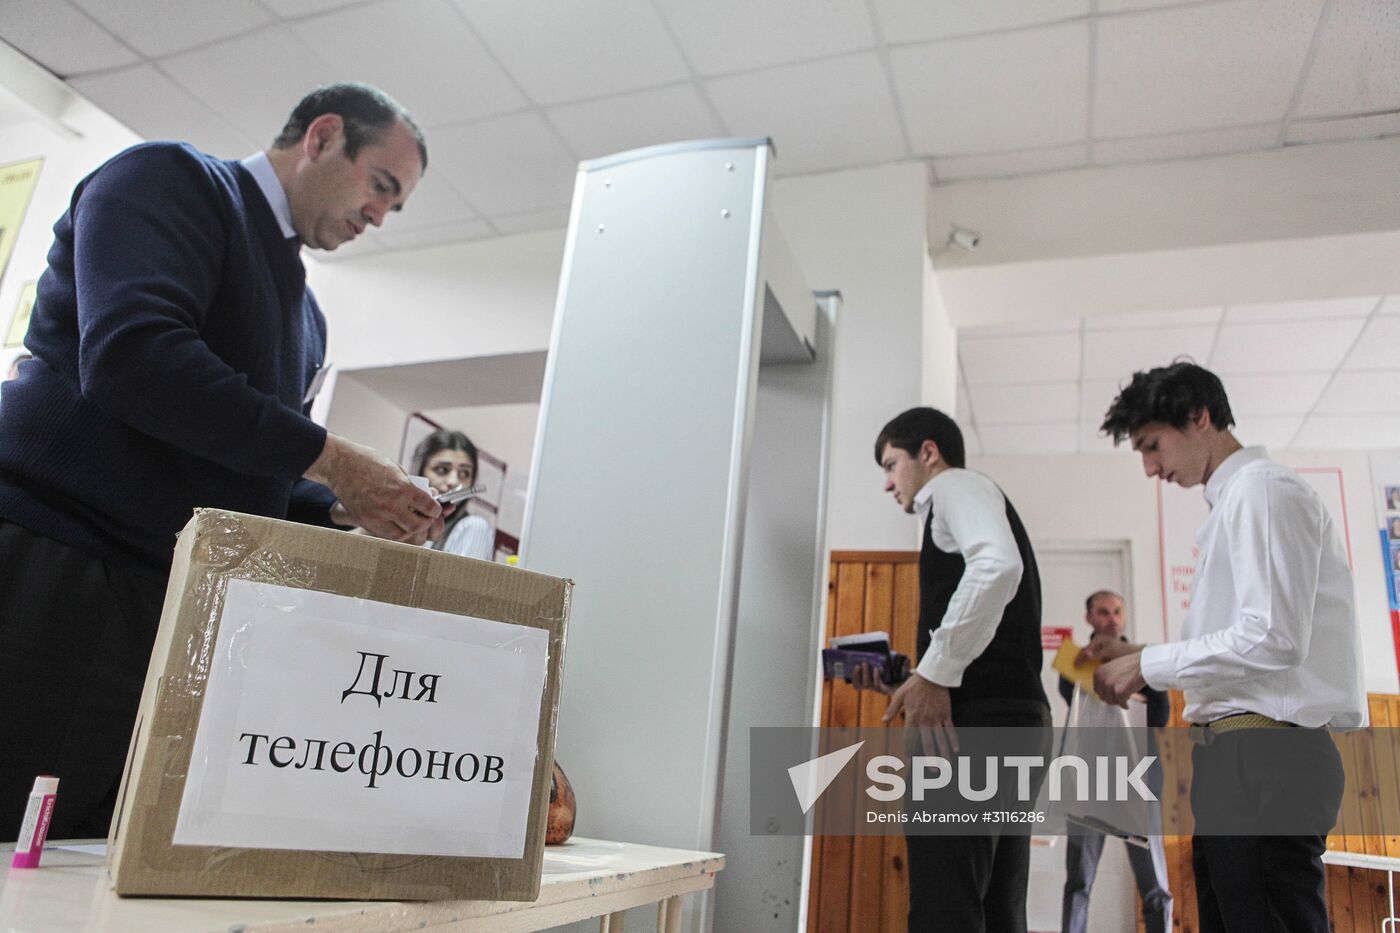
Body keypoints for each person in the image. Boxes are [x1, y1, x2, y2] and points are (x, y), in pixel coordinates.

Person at [0, 83, 446, 842]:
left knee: (77, 854)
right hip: (51, 569)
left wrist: (345, 505)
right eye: (380, 185)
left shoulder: (306, 318)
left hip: (161, 603)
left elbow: (246, 464)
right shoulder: (169, 180)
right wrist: (336, 461)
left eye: (395, 207)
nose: (379, 215)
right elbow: (134, 355)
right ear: (323, 136)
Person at [1089, 361, 1364, 933]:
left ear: (1199, 417)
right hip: (1237, 755)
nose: (1149, 467)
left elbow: (1274, 638)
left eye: (1151, 445)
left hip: (1268, 755)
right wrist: (1136, 653)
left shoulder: (1263, 492)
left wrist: (1147, 663)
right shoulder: (1236, 503)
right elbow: (1245, 642)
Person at [857, 406, 1050, 933]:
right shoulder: (962, 501)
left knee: (947, 907)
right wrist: (914, 681)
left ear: (928, 453)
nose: (887, 482)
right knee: (995, 909)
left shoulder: (954, 487)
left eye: (891, 463)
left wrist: (936, 672)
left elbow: (997, 564)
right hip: (1012, 720)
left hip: (971, 730)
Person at [1059, 590, 1172, 933]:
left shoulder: (1145, 659)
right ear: (1089, 618)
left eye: (1117, 612)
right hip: (1087, 782)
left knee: (1154, 885)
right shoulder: (1074, 660)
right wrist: (1127, 691)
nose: (1111, 618)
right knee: (1079, 880)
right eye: (1103, 612)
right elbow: (1075, 696)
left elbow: (1161, 714)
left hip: (1137, 781)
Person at [413, 429, 494, 561]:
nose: (454, 482)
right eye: (442, 470)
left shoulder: (474, 527)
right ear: (419, 472)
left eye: (464, 473)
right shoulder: (409, 529)